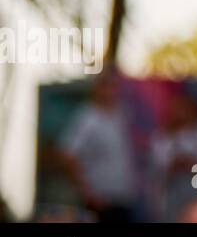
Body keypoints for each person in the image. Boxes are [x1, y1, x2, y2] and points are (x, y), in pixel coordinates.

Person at [57, 69, 138, 223]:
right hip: (100, 203)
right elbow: (67, 155)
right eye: (106, 86)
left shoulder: (122, 115)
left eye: (114, 86)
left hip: (124, 200)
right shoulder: (87, 118)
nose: (111, 91)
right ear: (97, 89)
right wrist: (88, 194)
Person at [149, 89, 197, 222]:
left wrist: (190, 164)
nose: (180, 113)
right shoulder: (162, 137)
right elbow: (159, 171)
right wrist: (176, 165)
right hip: (172, 197)